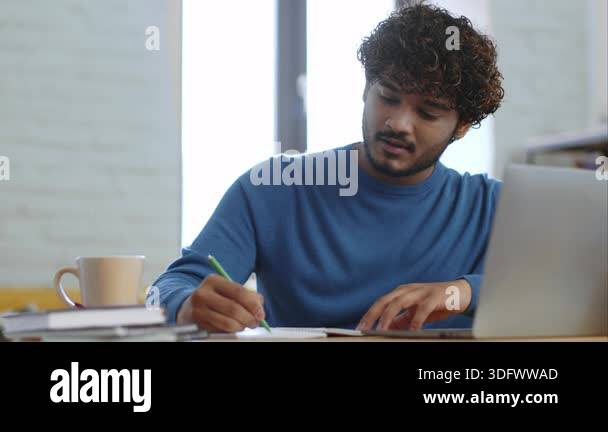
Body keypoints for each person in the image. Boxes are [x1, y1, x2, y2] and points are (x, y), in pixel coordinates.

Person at [150, 1, 505, 333]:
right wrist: (185, 304)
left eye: (428, 112)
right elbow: (164, 290)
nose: (398, 122)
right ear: (367, 89)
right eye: (388, 96)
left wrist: (463, 292)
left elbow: (557, 291)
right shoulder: (273, 187)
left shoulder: (491, 206)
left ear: (462, 125)